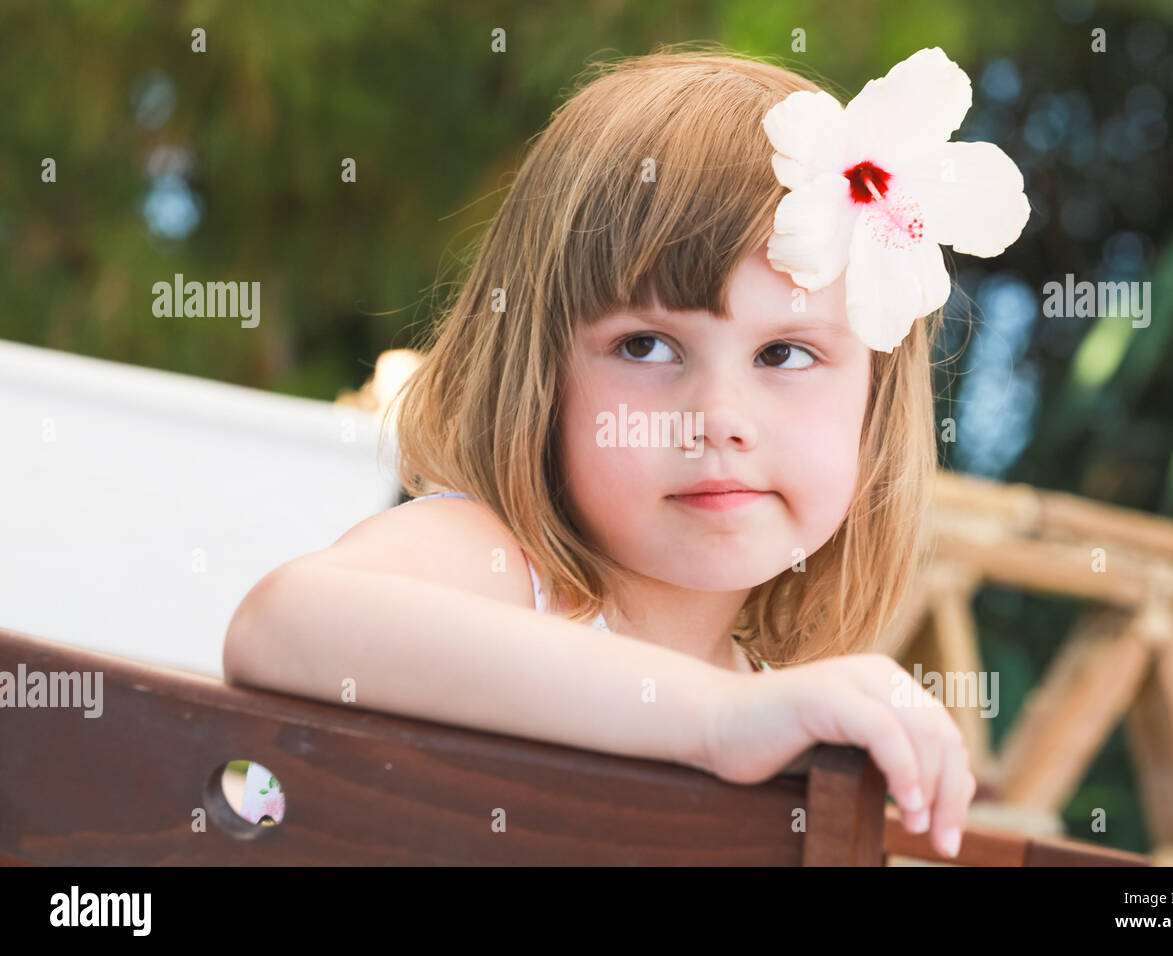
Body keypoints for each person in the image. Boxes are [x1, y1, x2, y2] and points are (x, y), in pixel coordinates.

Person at [223, 43, 1031, 860]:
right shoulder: (503, 570)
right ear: (540, 376)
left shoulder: (771, 711)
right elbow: (285, 625)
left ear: (873, 403)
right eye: (646, 346)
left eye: (784, 354)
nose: (718, 420)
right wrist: (716, 723)